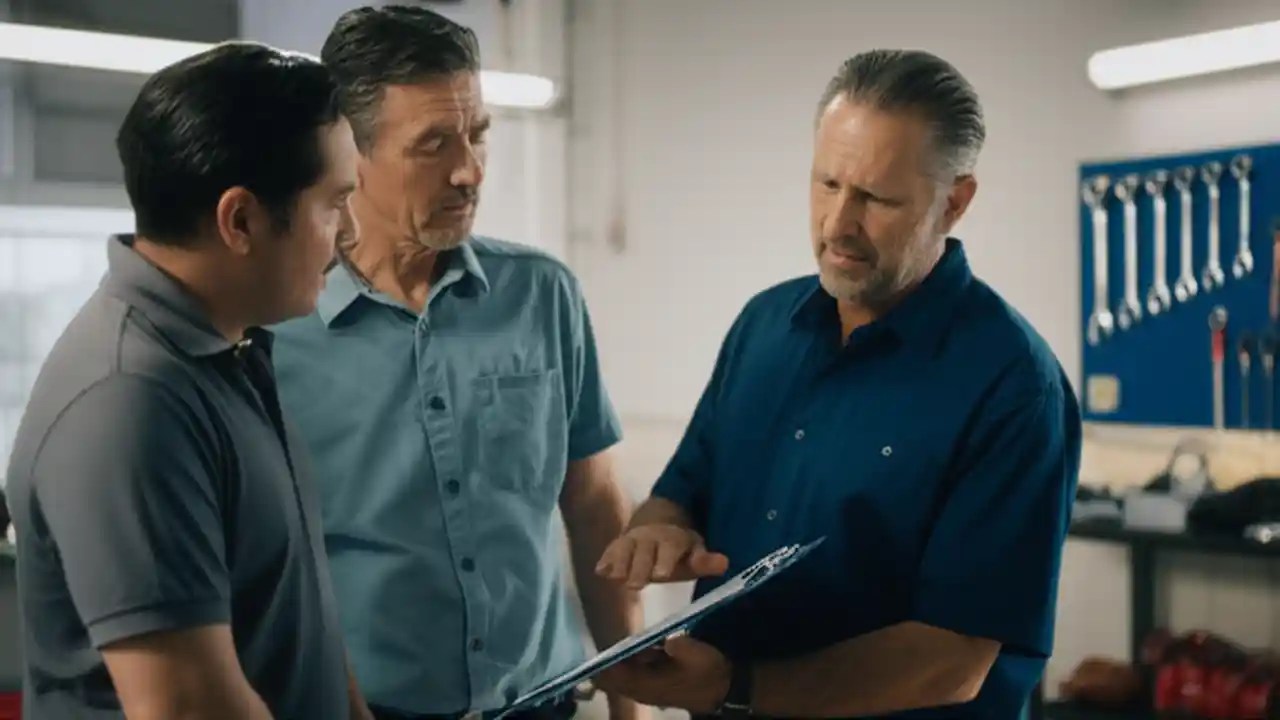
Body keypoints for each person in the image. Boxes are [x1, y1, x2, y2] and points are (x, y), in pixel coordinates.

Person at [594, 49, 1082, 720]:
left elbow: (955, 657)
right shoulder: (764, 326)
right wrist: (658, 531)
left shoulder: (1013, 386)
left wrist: (735, 686)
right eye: (827, 184)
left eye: (877, 198)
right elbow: (680, 494)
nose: (839, 225)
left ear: (955, 203)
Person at [269, 6, 643, 720]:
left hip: (545, 704)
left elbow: (594, 508)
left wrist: (633, 704)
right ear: (349, 154)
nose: (468, 172)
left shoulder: (542, 294)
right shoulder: (276, 334)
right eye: (433, 144)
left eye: (477, 136)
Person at [2, 42, 372, 720]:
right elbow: (190, 707)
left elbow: (294, 614)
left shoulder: (232, 351)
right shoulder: (130, 402)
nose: (348, 234)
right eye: (334, 204)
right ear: (241, 221)